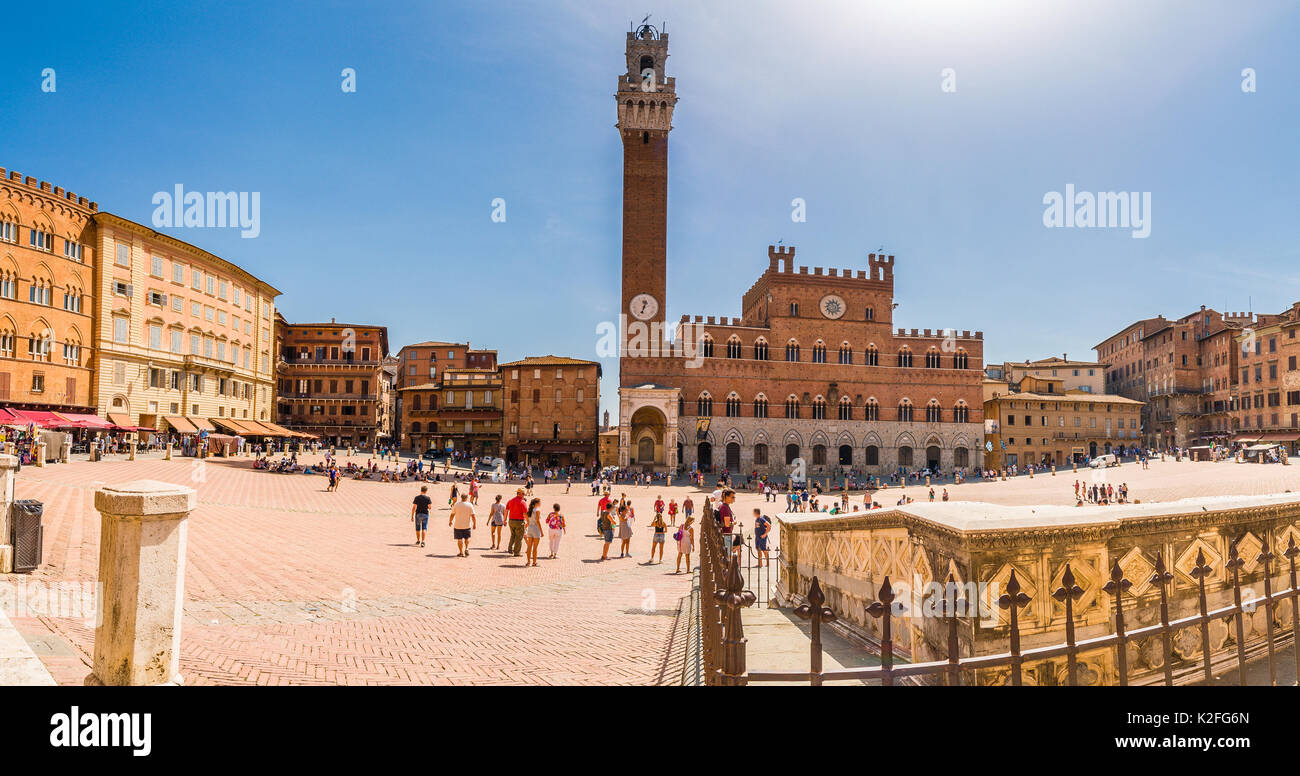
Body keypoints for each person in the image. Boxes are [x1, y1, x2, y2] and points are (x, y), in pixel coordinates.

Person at [449, 493, 477, 557]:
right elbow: (473, 516)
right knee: (467, 538)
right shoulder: (470, 505)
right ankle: (467, 548)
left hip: (458, 525)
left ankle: (461, 552)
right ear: (467, 498)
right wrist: (474, 524)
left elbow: (452, 514)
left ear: (461, 497)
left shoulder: (456, 505)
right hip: (467, 525)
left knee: (459, 539)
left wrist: (450, 521)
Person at [505, 488, 528, 556]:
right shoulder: (522, 502)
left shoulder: (510, 500)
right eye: (523, 494)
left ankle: (510, 548)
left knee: (513, 535)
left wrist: (504, 520)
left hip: (511, 520)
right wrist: (528, 521)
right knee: (519, 537)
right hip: (519, 521)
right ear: (519, 494)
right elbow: (525, 514)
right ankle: (517, 552)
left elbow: (506, 511)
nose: (524, 495)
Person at [524, 498, 543, 567]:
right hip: (536, 529)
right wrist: (541, 531)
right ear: (537, 503)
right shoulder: (537, 510)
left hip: (530, 528)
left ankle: (528, 562)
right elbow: (538, 521)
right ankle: (534, 562)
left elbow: (528, 522)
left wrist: (525, 528)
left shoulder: (529, 511)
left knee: (529, 547)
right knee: (535, 548)